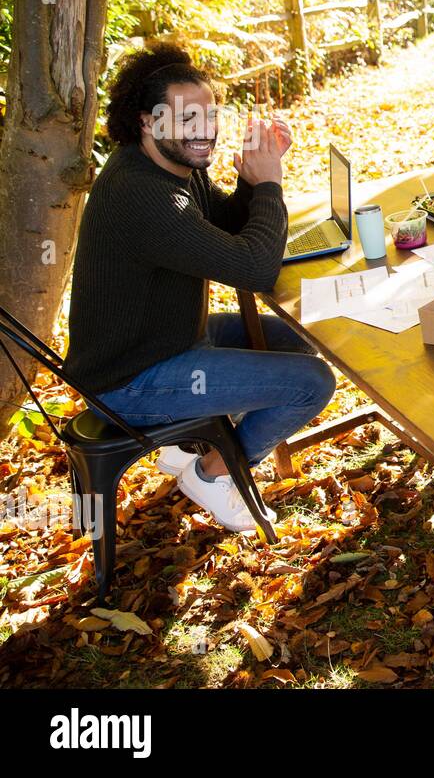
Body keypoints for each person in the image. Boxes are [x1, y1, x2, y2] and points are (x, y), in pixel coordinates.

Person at [63, 44, 336, 534]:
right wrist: (270, 185)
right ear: (148, 122)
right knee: (313, 382)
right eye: (186, 116)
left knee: (295, 338)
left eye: (210, 114)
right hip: (130, 378)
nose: (203, 128)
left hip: (168, 338)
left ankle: (192, 441)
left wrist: (251, 179)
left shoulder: (170, 166)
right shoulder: (143, 195)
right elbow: (254, 269)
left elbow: (229, 226)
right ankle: (213, 472)